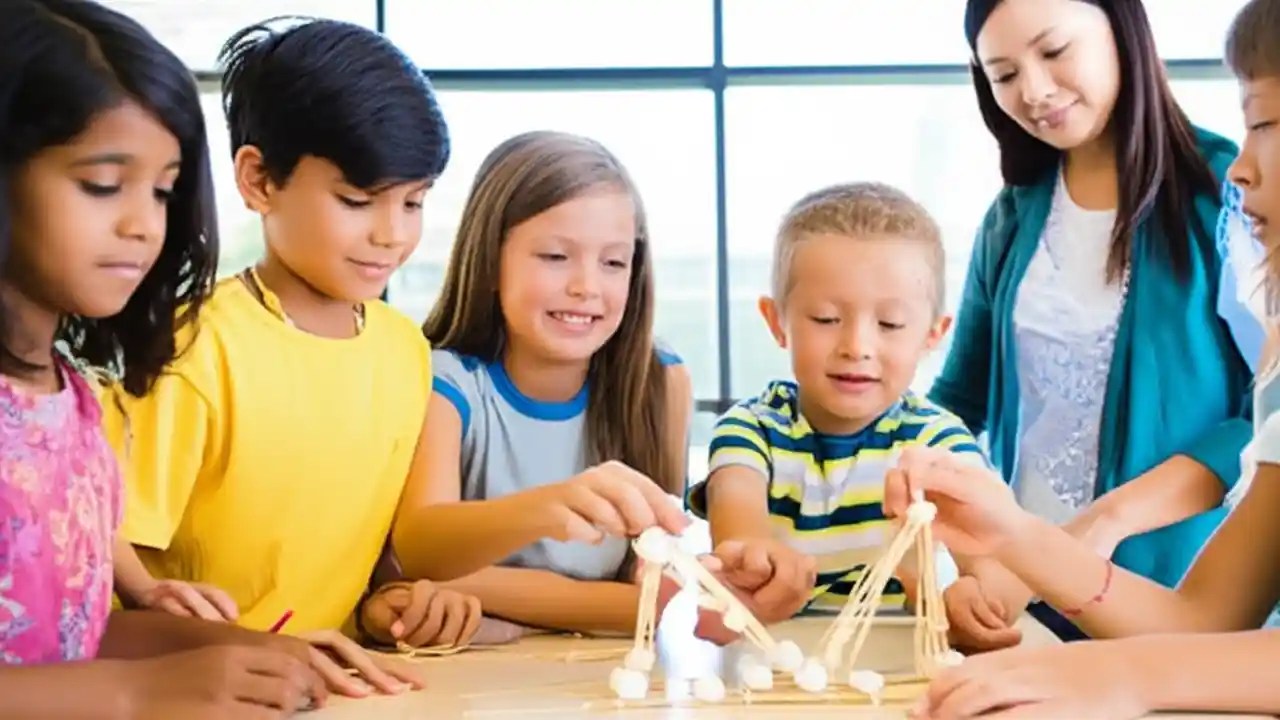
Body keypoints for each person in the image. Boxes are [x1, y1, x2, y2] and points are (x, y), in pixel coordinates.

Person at [888, 1, 1280, 698]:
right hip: (1030, 587)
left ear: (1121, 33)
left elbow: (1261, 412)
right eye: (1003, 73)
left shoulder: (1227, 195)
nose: (1033, 91)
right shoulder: (1013, 215)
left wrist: (1108, 518)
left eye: (1054, 51)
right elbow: (960, 400)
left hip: (1164, 584)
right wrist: (960, 539)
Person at [98, 16, 456, 697]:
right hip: (191, 691)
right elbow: (98, 538)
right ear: (259, 181)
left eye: (413, 202)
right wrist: (152, 596)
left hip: (327, 691)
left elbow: (370, 555)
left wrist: (398, 600)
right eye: (356, 200)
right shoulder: (194, 348)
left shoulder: (404, 352)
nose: (392, 234)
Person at [0, 1, 327, 716]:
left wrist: (238, 653)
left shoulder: (71, 396)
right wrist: (142, 689)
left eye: (162, 190)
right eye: (101, 185)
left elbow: (64, 646)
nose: (142, 223)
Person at [394, 130, 693, 635]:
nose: (586, 287)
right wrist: (546, 510)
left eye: (614, 262)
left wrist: (468, 585)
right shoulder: (445, 385)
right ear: (490, 260)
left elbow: (650, 603)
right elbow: (416, 553)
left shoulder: (660, 384)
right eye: (555, 257)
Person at [684, 182, 989, 644]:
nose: (857, 348)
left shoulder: (938, 442)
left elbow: (998, 564)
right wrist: (757, 567)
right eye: (826, 319)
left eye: (889, 324)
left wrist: (970, 601)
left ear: (932, 334)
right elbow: (739, 535)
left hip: (896, 663)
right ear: (776, 321)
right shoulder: (752, 430)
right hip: (773, 662)